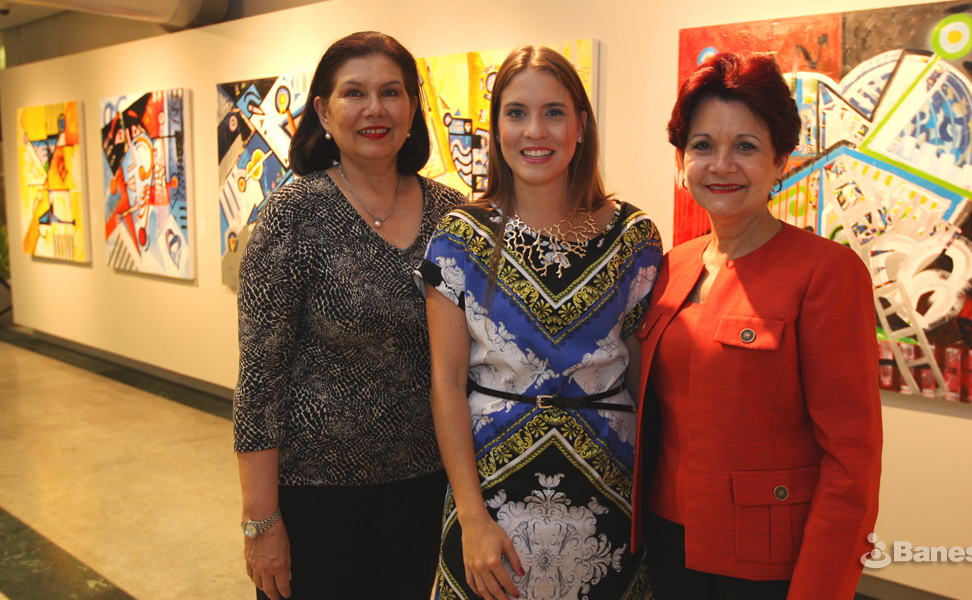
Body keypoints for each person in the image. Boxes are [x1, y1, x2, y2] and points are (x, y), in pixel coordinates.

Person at [632, 51, 883, 600]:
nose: (721, 165)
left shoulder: (827, 274)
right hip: (666, 542)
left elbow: (852, 462)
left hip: (767, 564)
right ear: (680, 162)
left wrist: (820, 589)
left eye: (745, 147)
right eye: (703, 147)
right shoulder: (672, 266)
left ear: (782, 161)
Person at [416, 46, 662, 600]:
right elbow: (446, 384)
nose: (536, 130)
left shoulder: (634, 239)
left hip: (609, 494)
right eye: (516, 112)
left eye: (554, 111)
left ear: (581, 124)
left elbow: (645, 384)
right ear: (496, 126)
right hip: (490, 498)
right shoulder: (459, 238)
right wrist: (473, 518)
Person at [233, 31, 466, 600]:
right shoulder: (293, 215)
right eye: (354, 93)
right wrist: (261, 522)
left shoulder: (451, 216)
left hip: (422, 486)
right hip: (314, 494)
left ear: (413, 107)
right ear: (323, 110)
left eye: (391, 93)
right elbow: (259, 380)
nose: (375, 109)